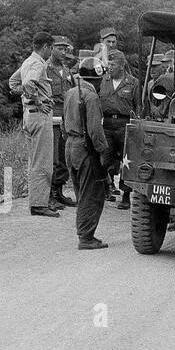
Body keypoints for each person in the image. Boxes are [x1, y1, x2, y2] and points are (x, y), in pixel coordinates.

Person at [8, 32, 59, 217]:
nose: (51, 52)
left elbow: (13, 83)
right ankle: (39, 204)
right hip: (39, 115)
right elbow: (29, 84)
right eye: (51, 48)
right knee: (43, 162)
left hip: (28, 116)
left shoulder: (27, 62)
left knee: (34, 160)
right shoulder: (38, 63)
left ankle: (37, 200)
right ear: (45, 47)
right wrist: (38, 100)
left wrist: (27, 97)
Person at [62, 72, 111, 249]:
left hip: (70, 144)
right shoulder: (91, 96)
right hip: (85, 148)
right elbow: (95, 130)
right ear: (97, 79)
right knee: (91, 193)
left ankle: (84, 232)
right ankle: (86, 236)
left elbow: (62, 121)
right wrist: (103, 151)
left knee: (81, 192)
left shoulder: (70, 93)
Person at [99, 49, 139, 210]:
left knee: (127, 161)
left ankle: (126, 195)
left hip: (125, 126)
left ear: (122, 66)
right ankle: (105, 188)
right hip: (107, 125)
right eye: (109, 63)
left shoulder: (133, 83)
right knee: (104, 159)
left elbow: (138, 107)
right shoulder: (103, 81)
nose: (109, 67)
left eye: (113, 64)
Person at [47, 36, 79, 210]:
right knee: (53, 157)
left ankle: (58, 191)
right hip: (51, 118)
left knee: (64, 155)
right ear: (51, 48)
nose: (63, 52)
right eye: (59, 48)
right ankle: (49, 193)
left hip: (66, 118)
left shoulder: (67, 71)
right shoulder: (44, 68)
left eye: (65, 49)